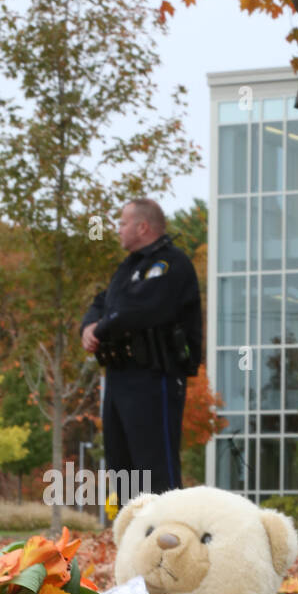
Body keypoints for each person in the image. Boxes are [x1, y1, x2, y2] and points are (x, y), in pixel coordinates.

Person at [80, 199, 202, 501]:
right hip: (120, 375)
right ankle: (131, 539)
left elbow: (141, 309)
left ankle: (168, 539)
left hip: (154, 376)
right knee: (122, 467)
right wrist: (87, 326)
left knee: (155, 466)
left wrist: (101, 327)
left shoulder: (170, 265)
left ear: (143, 226)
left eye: (122, 223)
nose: (118, 229)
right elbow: (103, 301)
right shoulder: (129, 267)